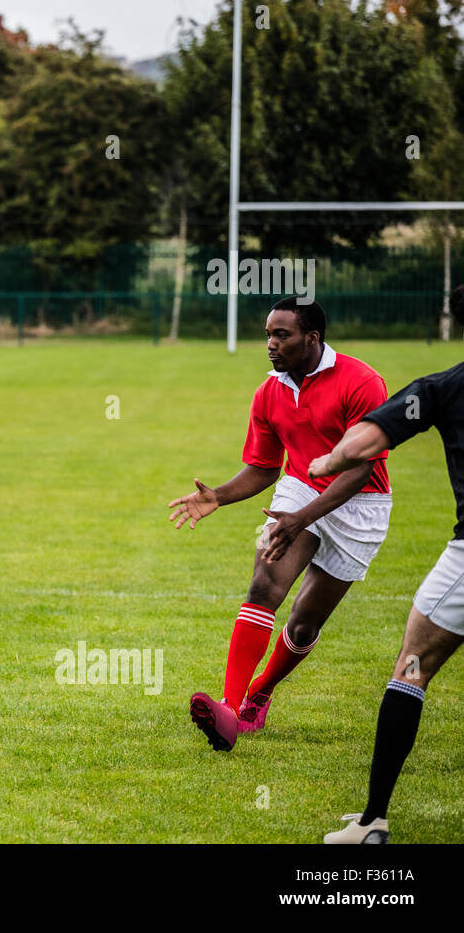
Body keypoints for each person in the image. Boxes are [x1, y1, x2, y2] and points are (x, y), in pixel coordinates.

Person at [168, 297, 392, 751]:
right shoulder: (268, 391)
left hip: (361, 506)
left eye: (282, 335)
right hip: (300, 487)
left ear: (312, 338)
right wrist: (220, 496)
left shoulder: (362, 381)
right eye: (268, 334)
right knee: (265, 587)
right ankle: (230, 710)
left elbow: (360, 470)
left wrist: (301, 520)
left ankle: (262, 692)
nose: (271, 344)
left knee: (305, 623)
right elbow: (265, 466)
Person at [314, 286, 464, 843]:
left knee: (412, 666)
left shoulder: (443, 387)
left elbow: (362, 445)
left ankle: (372, 822)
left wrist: (327, 458)